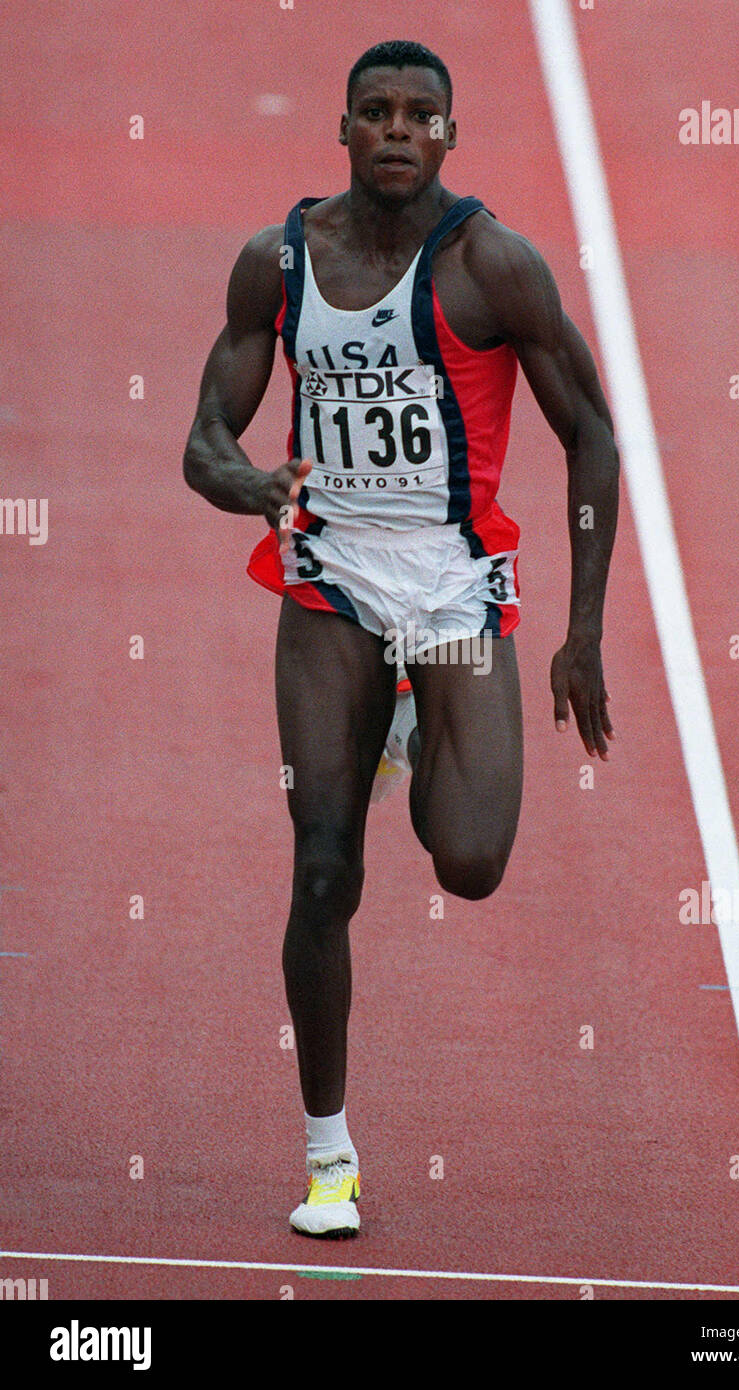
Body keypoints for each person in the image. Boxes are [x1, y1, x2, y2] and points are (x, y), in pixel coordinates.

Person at [183, 39, 619, 1238]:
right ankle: (330, 1155)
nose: (394, 130)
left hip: (455, 586)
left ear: (449, 136)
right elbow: (204, 440)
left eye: (418, 114)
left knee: (468, 860)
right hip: (327, 578)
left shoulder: (494, 269)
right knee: (324, 865)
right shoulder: (278, 263)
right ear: (339, 128)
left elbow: (594, 436)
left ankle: (419, 721)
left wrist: (579, 633)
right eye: (373, 111)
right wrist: (253, 484)